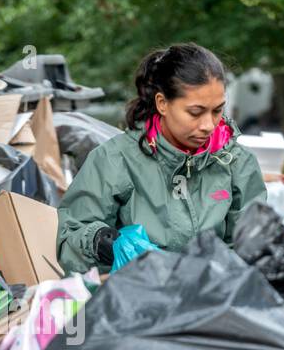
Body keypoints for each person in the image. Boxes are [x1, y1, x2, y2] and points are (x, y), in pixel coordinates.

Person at [56, 43, 267, 273]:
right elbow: (69, 238)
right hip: (135, 297)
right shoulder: (115, 160)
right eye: (195, 112)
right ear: (162, 103)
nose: (208, 125)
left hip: (215, 299)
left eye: (217, 111)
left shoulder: (238, 164)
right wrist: (99, 242)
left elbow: (251, 250)